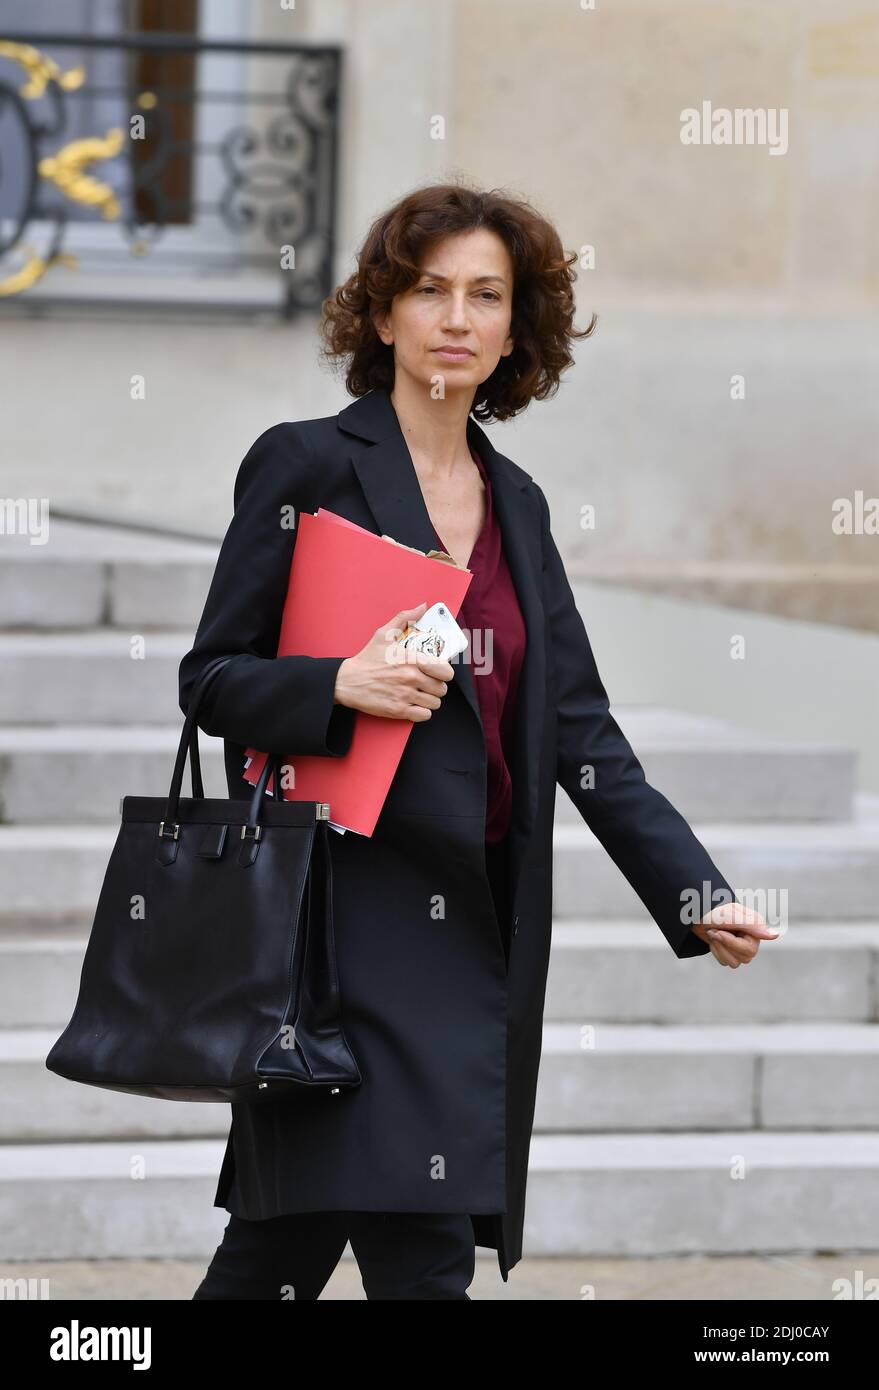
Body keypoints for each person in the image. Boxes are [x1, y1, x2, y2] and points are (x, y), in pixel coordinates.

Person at [181, 181, 774, 1300]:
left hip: (476, 930)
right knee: (386, 1247)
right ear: (386, 314)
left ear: (516, 332)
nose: (457, 316)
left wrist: (694, 891)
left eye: (486, 295)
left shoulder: (520, 505)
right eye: (429, 288)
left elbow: (581, 731)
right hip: (337, 932)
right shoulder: (307, 464)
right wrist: (339, 684)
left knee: (297, 1243)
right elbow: (211, 679)